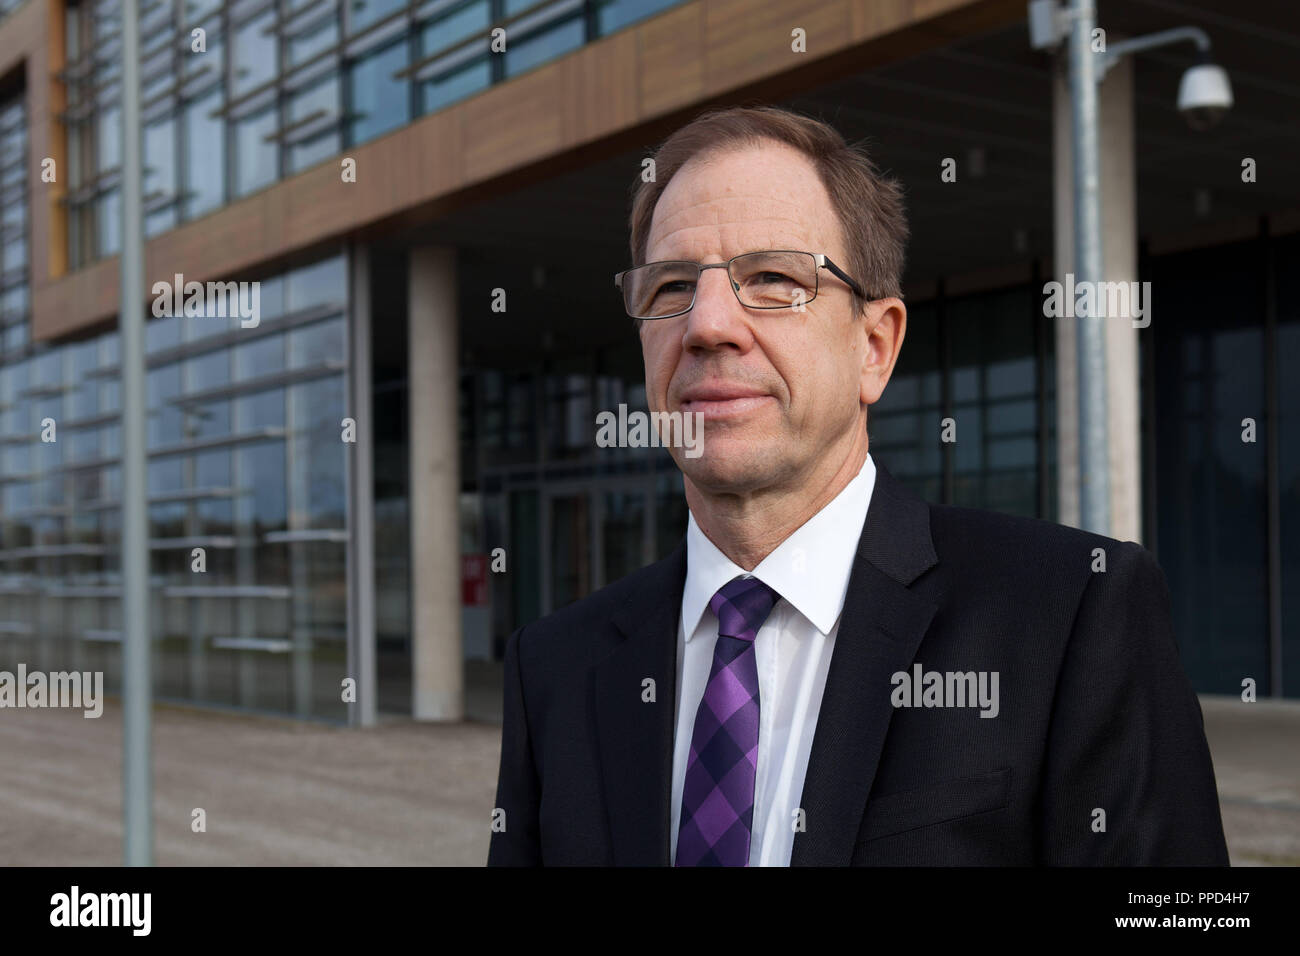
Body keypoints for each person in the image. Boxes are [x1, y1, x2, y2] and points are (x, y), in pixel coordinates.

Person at [487, 105, 1229, 866]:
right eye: (673, 286)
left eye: (773, 278)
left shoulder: (1069, 615)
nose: (708, 325)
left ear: (875, 346)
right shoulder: (555, 666)